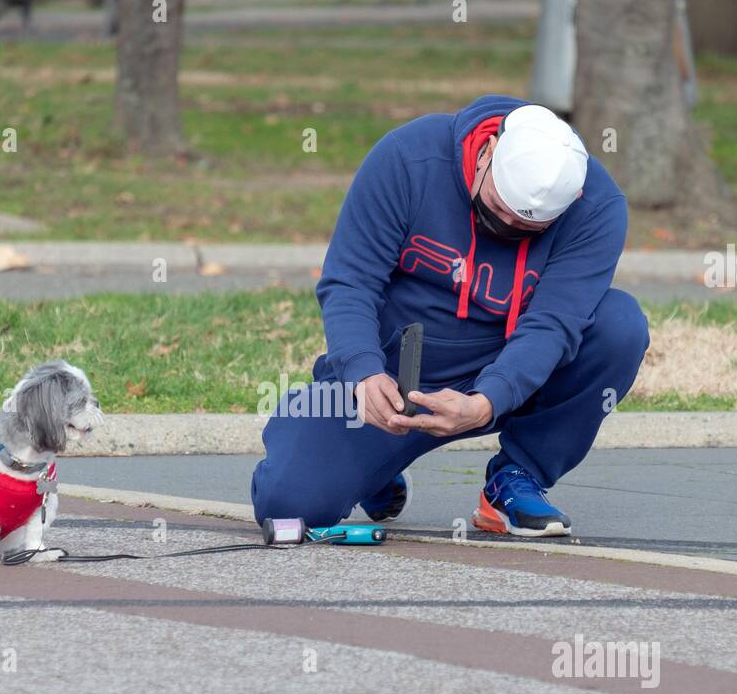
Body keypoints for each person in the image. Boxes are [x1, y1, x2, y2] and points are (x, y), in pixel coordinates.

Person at [251, 95, 649, 536]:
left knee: (619, 325)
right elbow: (350, 282)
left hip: (514, 370)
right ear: (488, 152)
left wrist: (487, 401)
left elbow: (553, 323)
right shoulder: (408, 158)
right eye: (497, 208)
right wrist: (362, 373)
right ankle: (373, 467)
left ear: (570, 201)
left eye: (528, 226)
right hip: (398, 377)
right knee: (288, 504)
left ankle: (517, 478)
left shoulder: (598, 206)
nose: (507, 228)